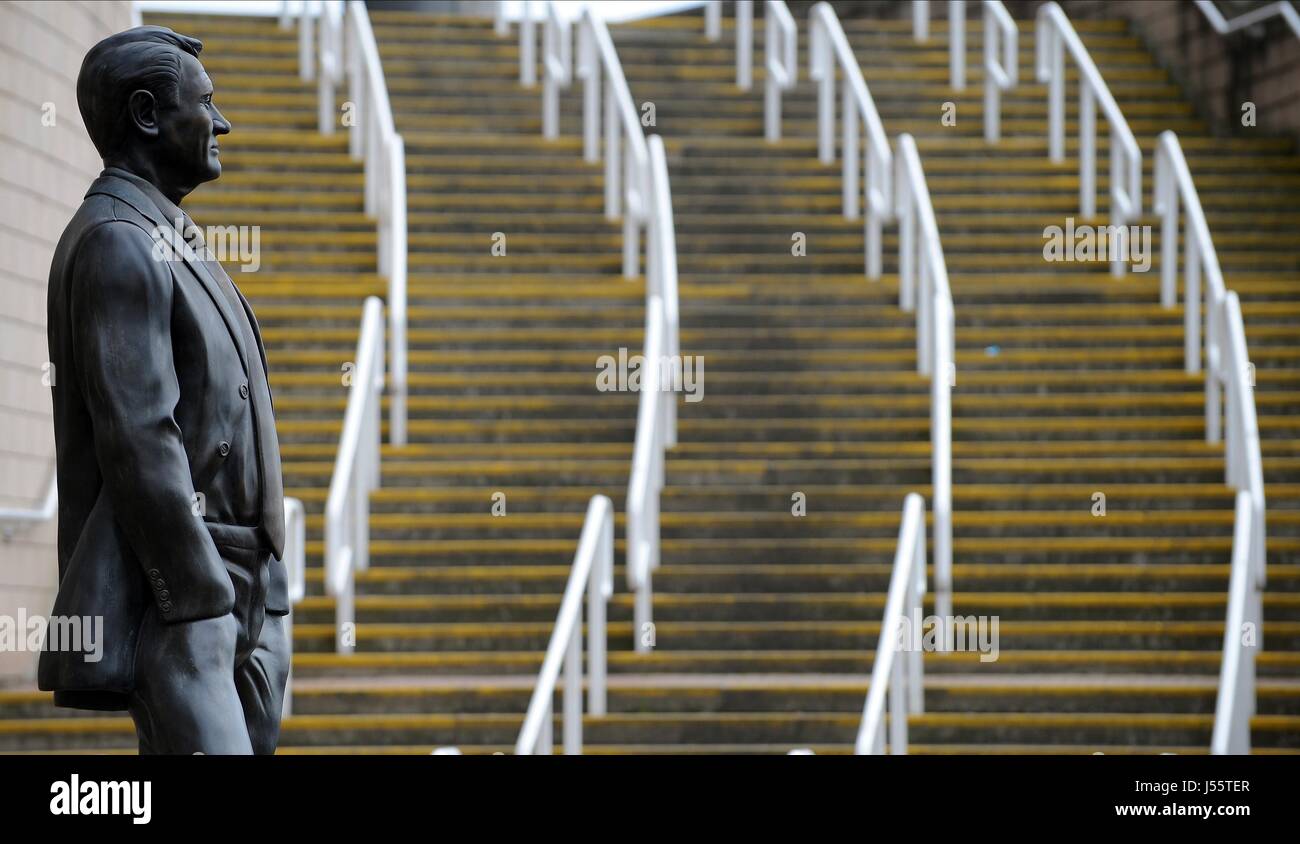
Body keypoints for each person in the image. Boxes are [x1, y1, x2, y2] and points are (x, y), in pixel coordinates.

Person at [39, 26, 289, 754]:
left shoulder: (169, 234)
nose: (222, 122)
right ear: (147, 114)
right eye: (205, 103)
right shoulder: (117, 237)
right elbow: (139, 434)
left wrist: (265, 580)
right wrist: (200, 592)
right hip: (183, 591)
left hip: (248, 586)